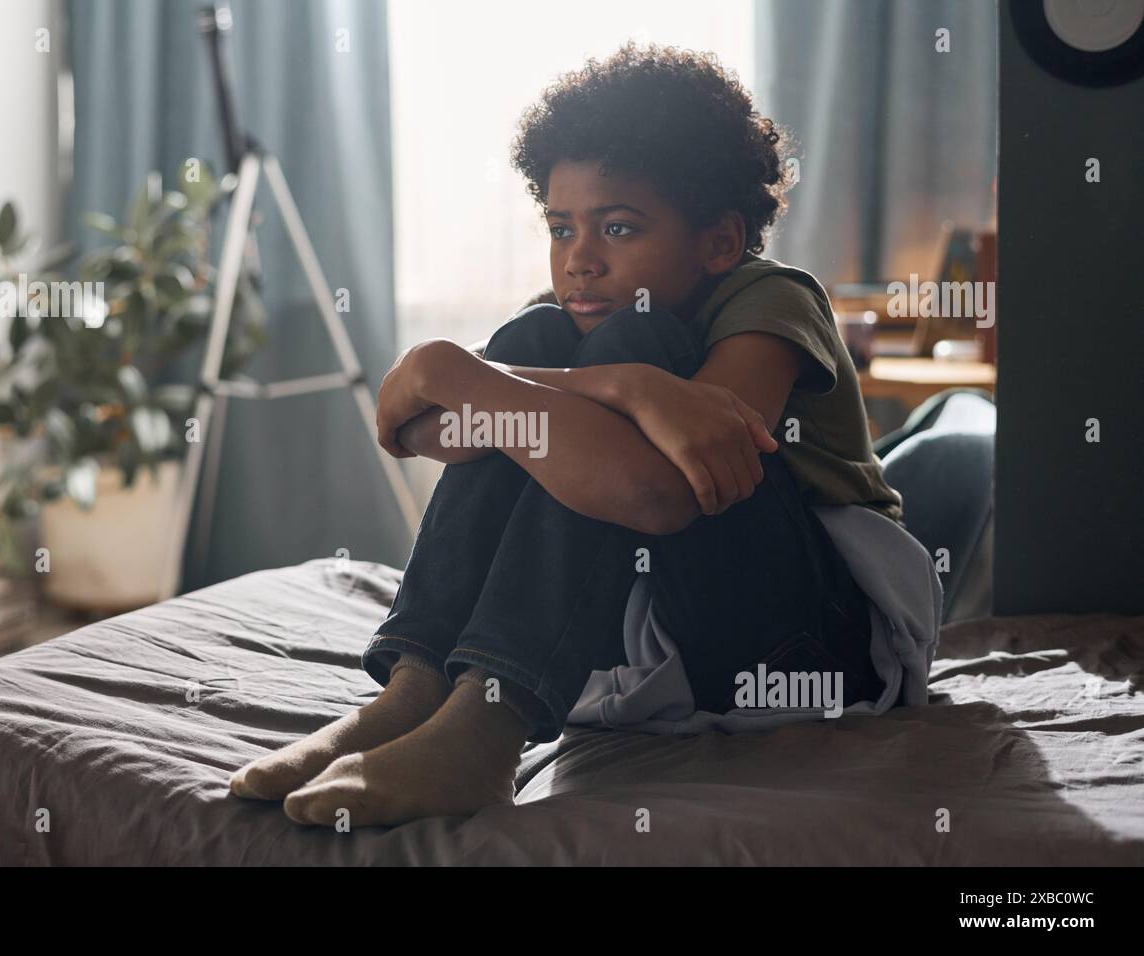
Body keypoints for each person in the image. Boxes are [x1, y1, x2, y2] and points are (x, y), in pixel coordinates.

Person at [231, 41, 903, 828]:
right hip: (664, 637)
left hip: (809, 650)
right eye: (560, 228)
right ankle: (414, 690)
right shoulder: (565, 322)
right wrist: (599, 387)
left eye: (618, 229)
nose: (579, 261)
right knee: (536, 343)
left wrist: (493, 376)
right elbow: (419, 427)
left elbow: (676, 483)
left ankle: (487, 725)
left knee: (625, 349)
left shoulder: (775, 301)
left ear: (719, 240)